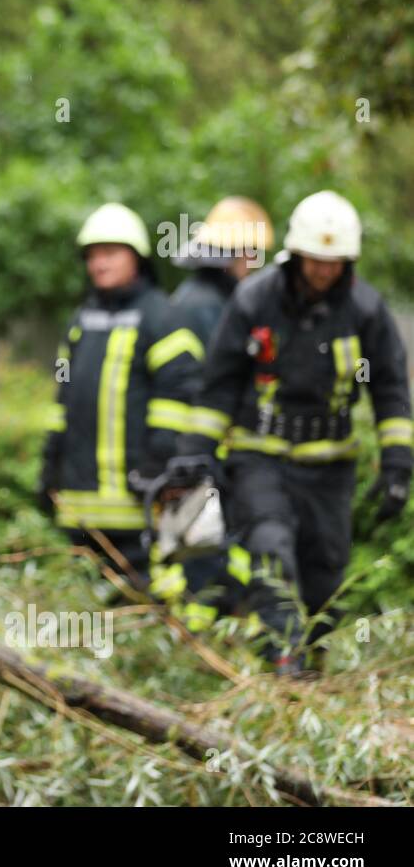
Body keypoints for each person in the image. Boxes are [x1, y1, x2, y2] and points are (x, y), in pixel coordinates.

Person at [174, 190, 411, 674]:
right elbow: (218, 386)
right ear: (297, 253)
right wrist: (194, 453)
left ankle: (313, 666)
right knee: (271, 553)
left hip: (330, 471)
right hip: (261, 461)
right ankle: (283, 664)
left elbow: (390, 389)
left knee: (324, 576)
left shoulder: (365, 310)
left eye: (335, 262)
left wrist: (397, 465)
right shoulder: (254, 300)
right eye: (316, 260)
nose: (324, 271)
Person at [40, 203, 204, 590]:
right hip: (79, 508)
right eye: (93, 255)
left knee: (137, 603)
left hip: (138, 506)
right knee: (82, 605)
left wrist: (157, 462)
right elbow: (62, 402)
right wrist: (50, 464)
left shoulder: (161, 319)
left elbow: (180, 396)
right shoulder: (81, 322)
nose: (99, 264)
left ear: (138, 258)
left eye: (110, 253)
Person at [156, 197, 275, 626]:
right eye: (249, 254)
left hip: (192, 455)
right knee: (207, 564)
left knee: (204, 557)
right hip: (201, 458)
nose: (252, 264)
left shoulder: (198, 299)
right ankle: (210, 656)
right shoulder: (210, 309)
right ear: (233, 255)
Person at [171, 196, 274, 346]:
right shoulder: (205, 304)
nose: (253, 260)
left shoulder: (210, 292)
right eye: (250, 250)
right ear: (229, 252)